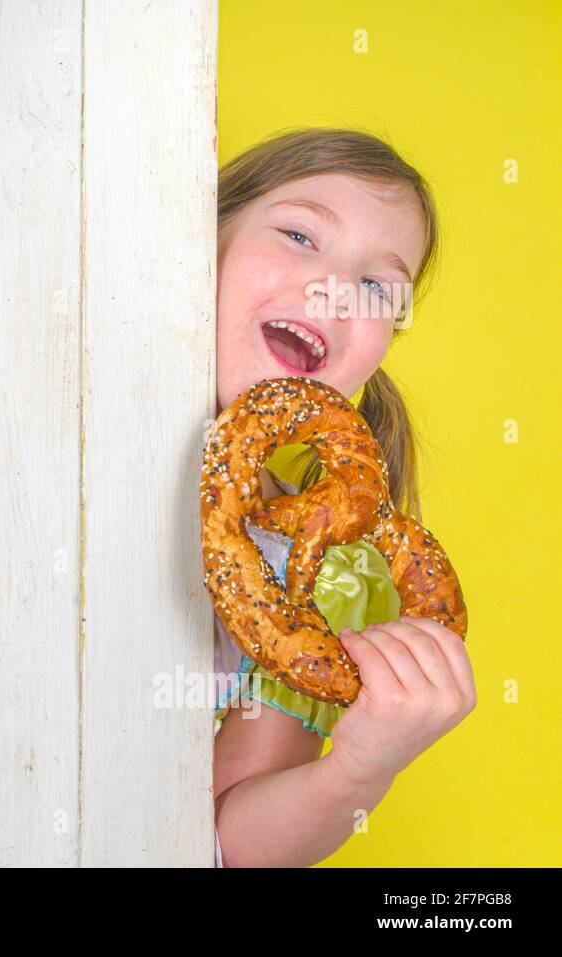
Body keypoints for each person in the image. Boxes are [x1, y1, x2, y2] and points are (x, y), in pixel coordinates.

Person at [210, 127, 477, 868]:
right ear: (206, 233)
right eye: (300, 235)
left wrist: (361, 767)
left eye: (376, 287)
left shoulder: (324, 578)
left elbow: (226, 840)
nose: (331, 288)